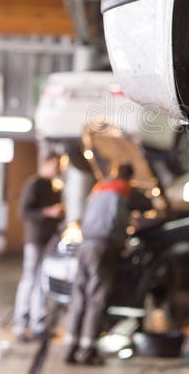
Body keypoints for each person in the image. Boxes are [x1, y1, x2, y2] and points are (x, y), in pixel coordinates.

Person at [65, 163, 133, 365]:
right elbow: (119, 224)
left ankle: (70, 348)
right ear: (128, 179)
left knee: (80, 295)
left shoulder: (98, 191)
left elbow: (82, 218)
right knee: (97, 298)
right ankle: (87, 351)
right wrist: (122, 246)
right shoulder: (120, 193)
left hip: (84, 245)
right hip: (103, 248)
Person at [13, 152, 64, 342]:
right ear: (48, 163)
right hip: (35, 240)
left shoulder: (55, 186)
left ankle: (38, 324)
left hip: (50, 241)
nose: (59, 169)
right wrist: (47, 212)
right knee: (29, 280)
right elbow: (23, 212)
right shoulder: (34, 184)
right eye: (57, 164)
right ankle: (20, 324)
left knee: (43, 282)